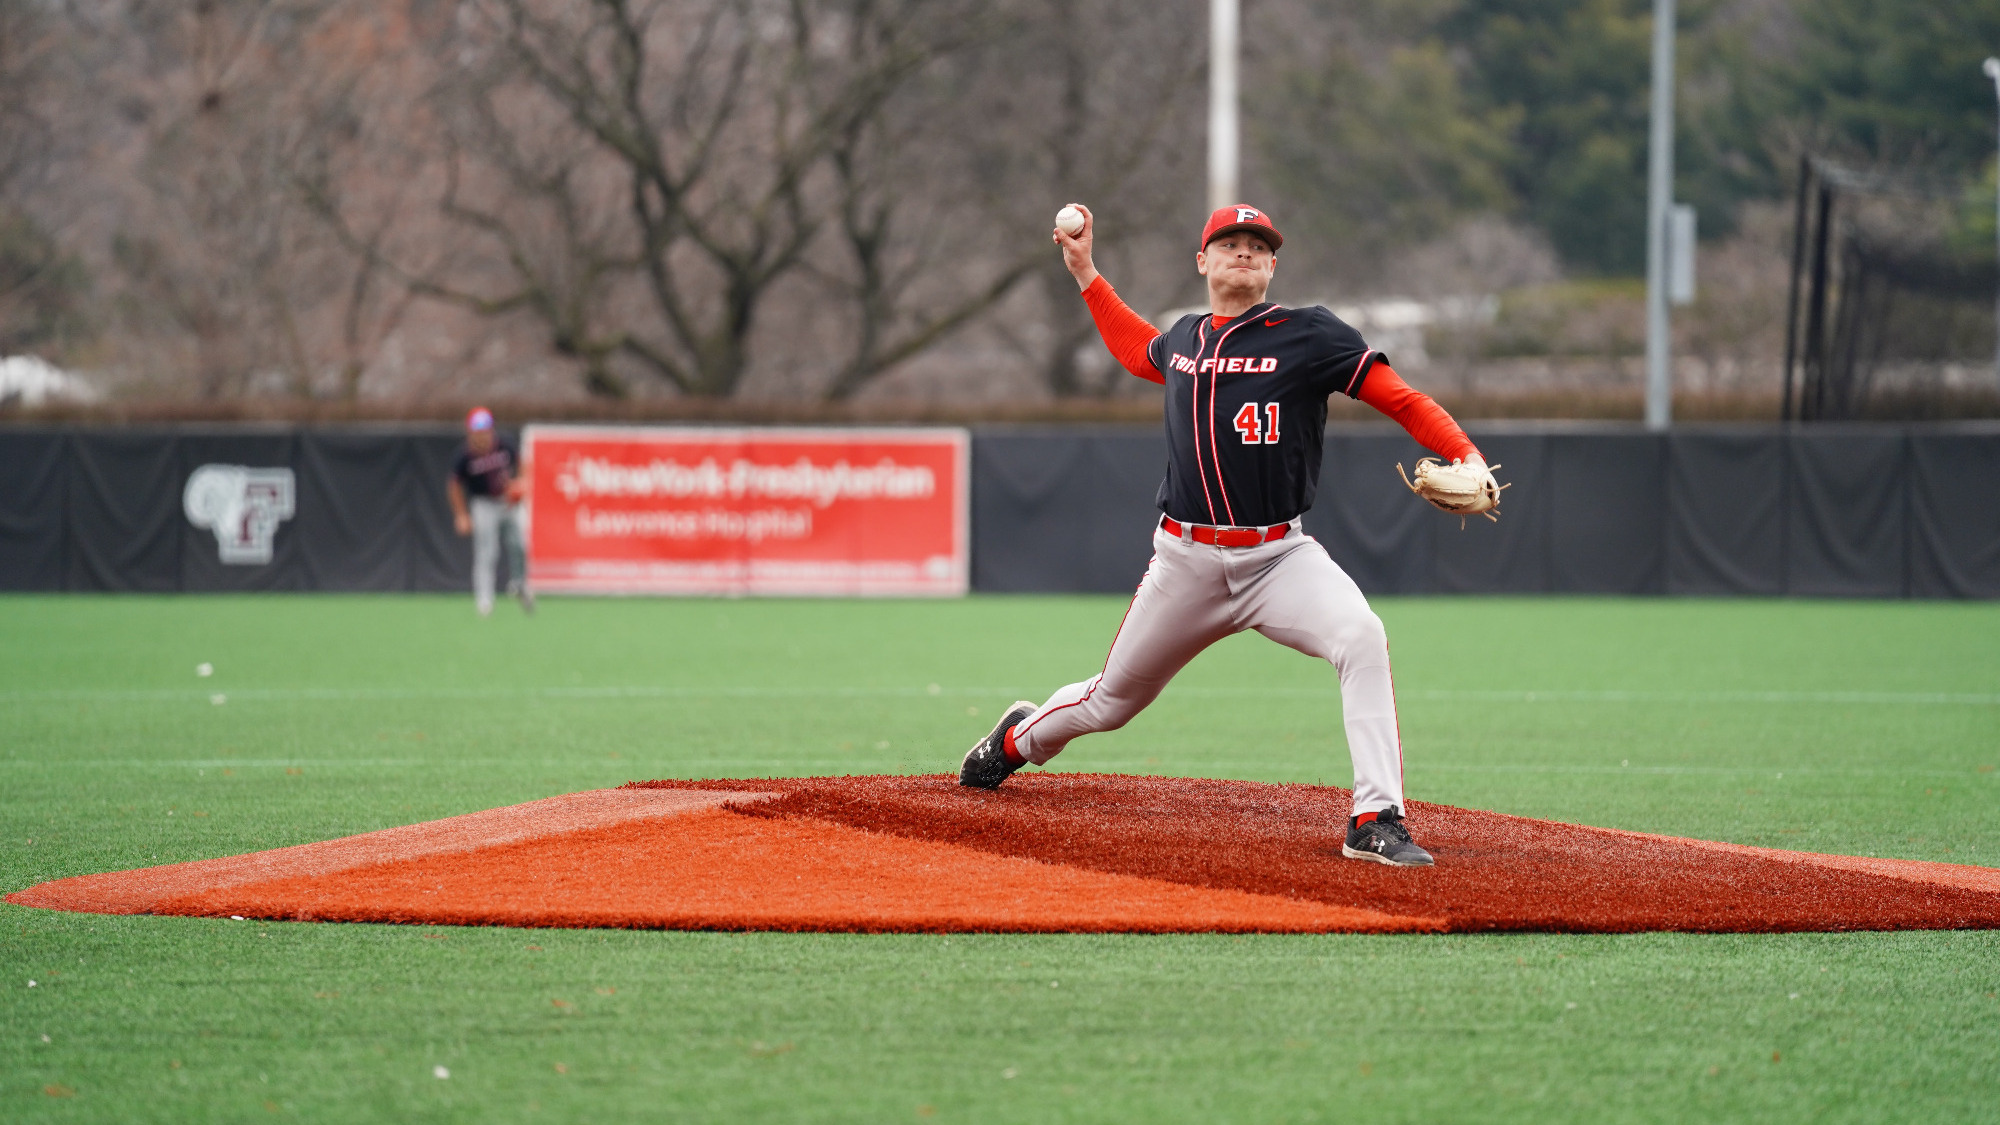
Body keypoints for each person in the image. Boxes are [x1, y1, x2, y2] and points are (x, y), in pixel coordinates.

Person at [957, 203, 1501, 867]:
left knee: (1361, 635)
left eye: (1257, 246)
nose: (1243, 252)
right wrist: (1086, 273)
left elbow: (1404, 399)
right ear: (1203, 261)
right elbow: (1136, 350)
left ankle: (1375, 815)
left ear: (1273, 266)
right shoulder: (1183, 339)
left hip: (1279, 558)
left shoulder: (1309, 335)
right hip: (1185, 562)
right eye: (1229, 242)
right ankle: (1017, 740)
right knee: (1109, 702)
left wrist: (1465, 453)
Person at [447, 406, 533, 616]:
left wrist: (521, 482)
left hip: (507, 501)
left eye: (486, 431)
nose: (483, 436)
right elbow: (453, 486)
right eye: (478, 431)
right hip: (483, 504)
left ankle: (519, 585)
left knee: (520, 545)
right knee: (487, 552)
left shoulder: (504, 444)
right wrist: (461, 515)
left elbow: (523, 464)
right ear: (470, 432)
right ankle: (485, 601)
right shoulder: (464, 455)